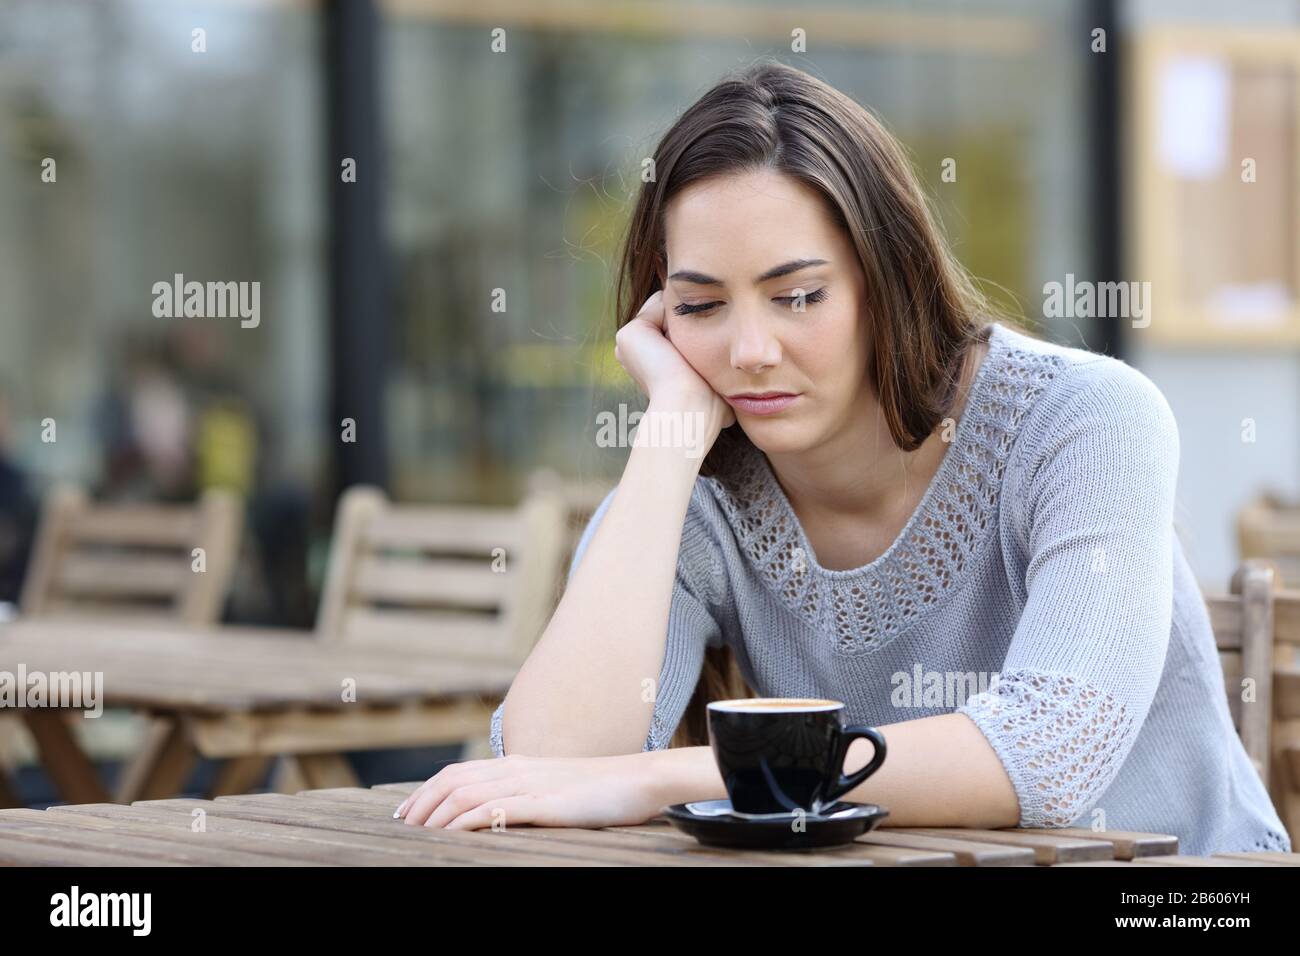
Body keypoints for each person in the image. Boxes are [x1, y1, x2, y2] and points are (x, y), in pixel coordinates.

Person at [395, 59, 1291, 855]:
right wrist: (669, 435)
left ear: (886, 278)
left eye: (798, 296)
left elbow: (1047, 754)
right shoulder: (699, 484)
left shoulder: (1085, 421)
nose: (749, 350)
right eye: (701, 307)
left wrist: (669, 778)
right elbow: (552, 770)